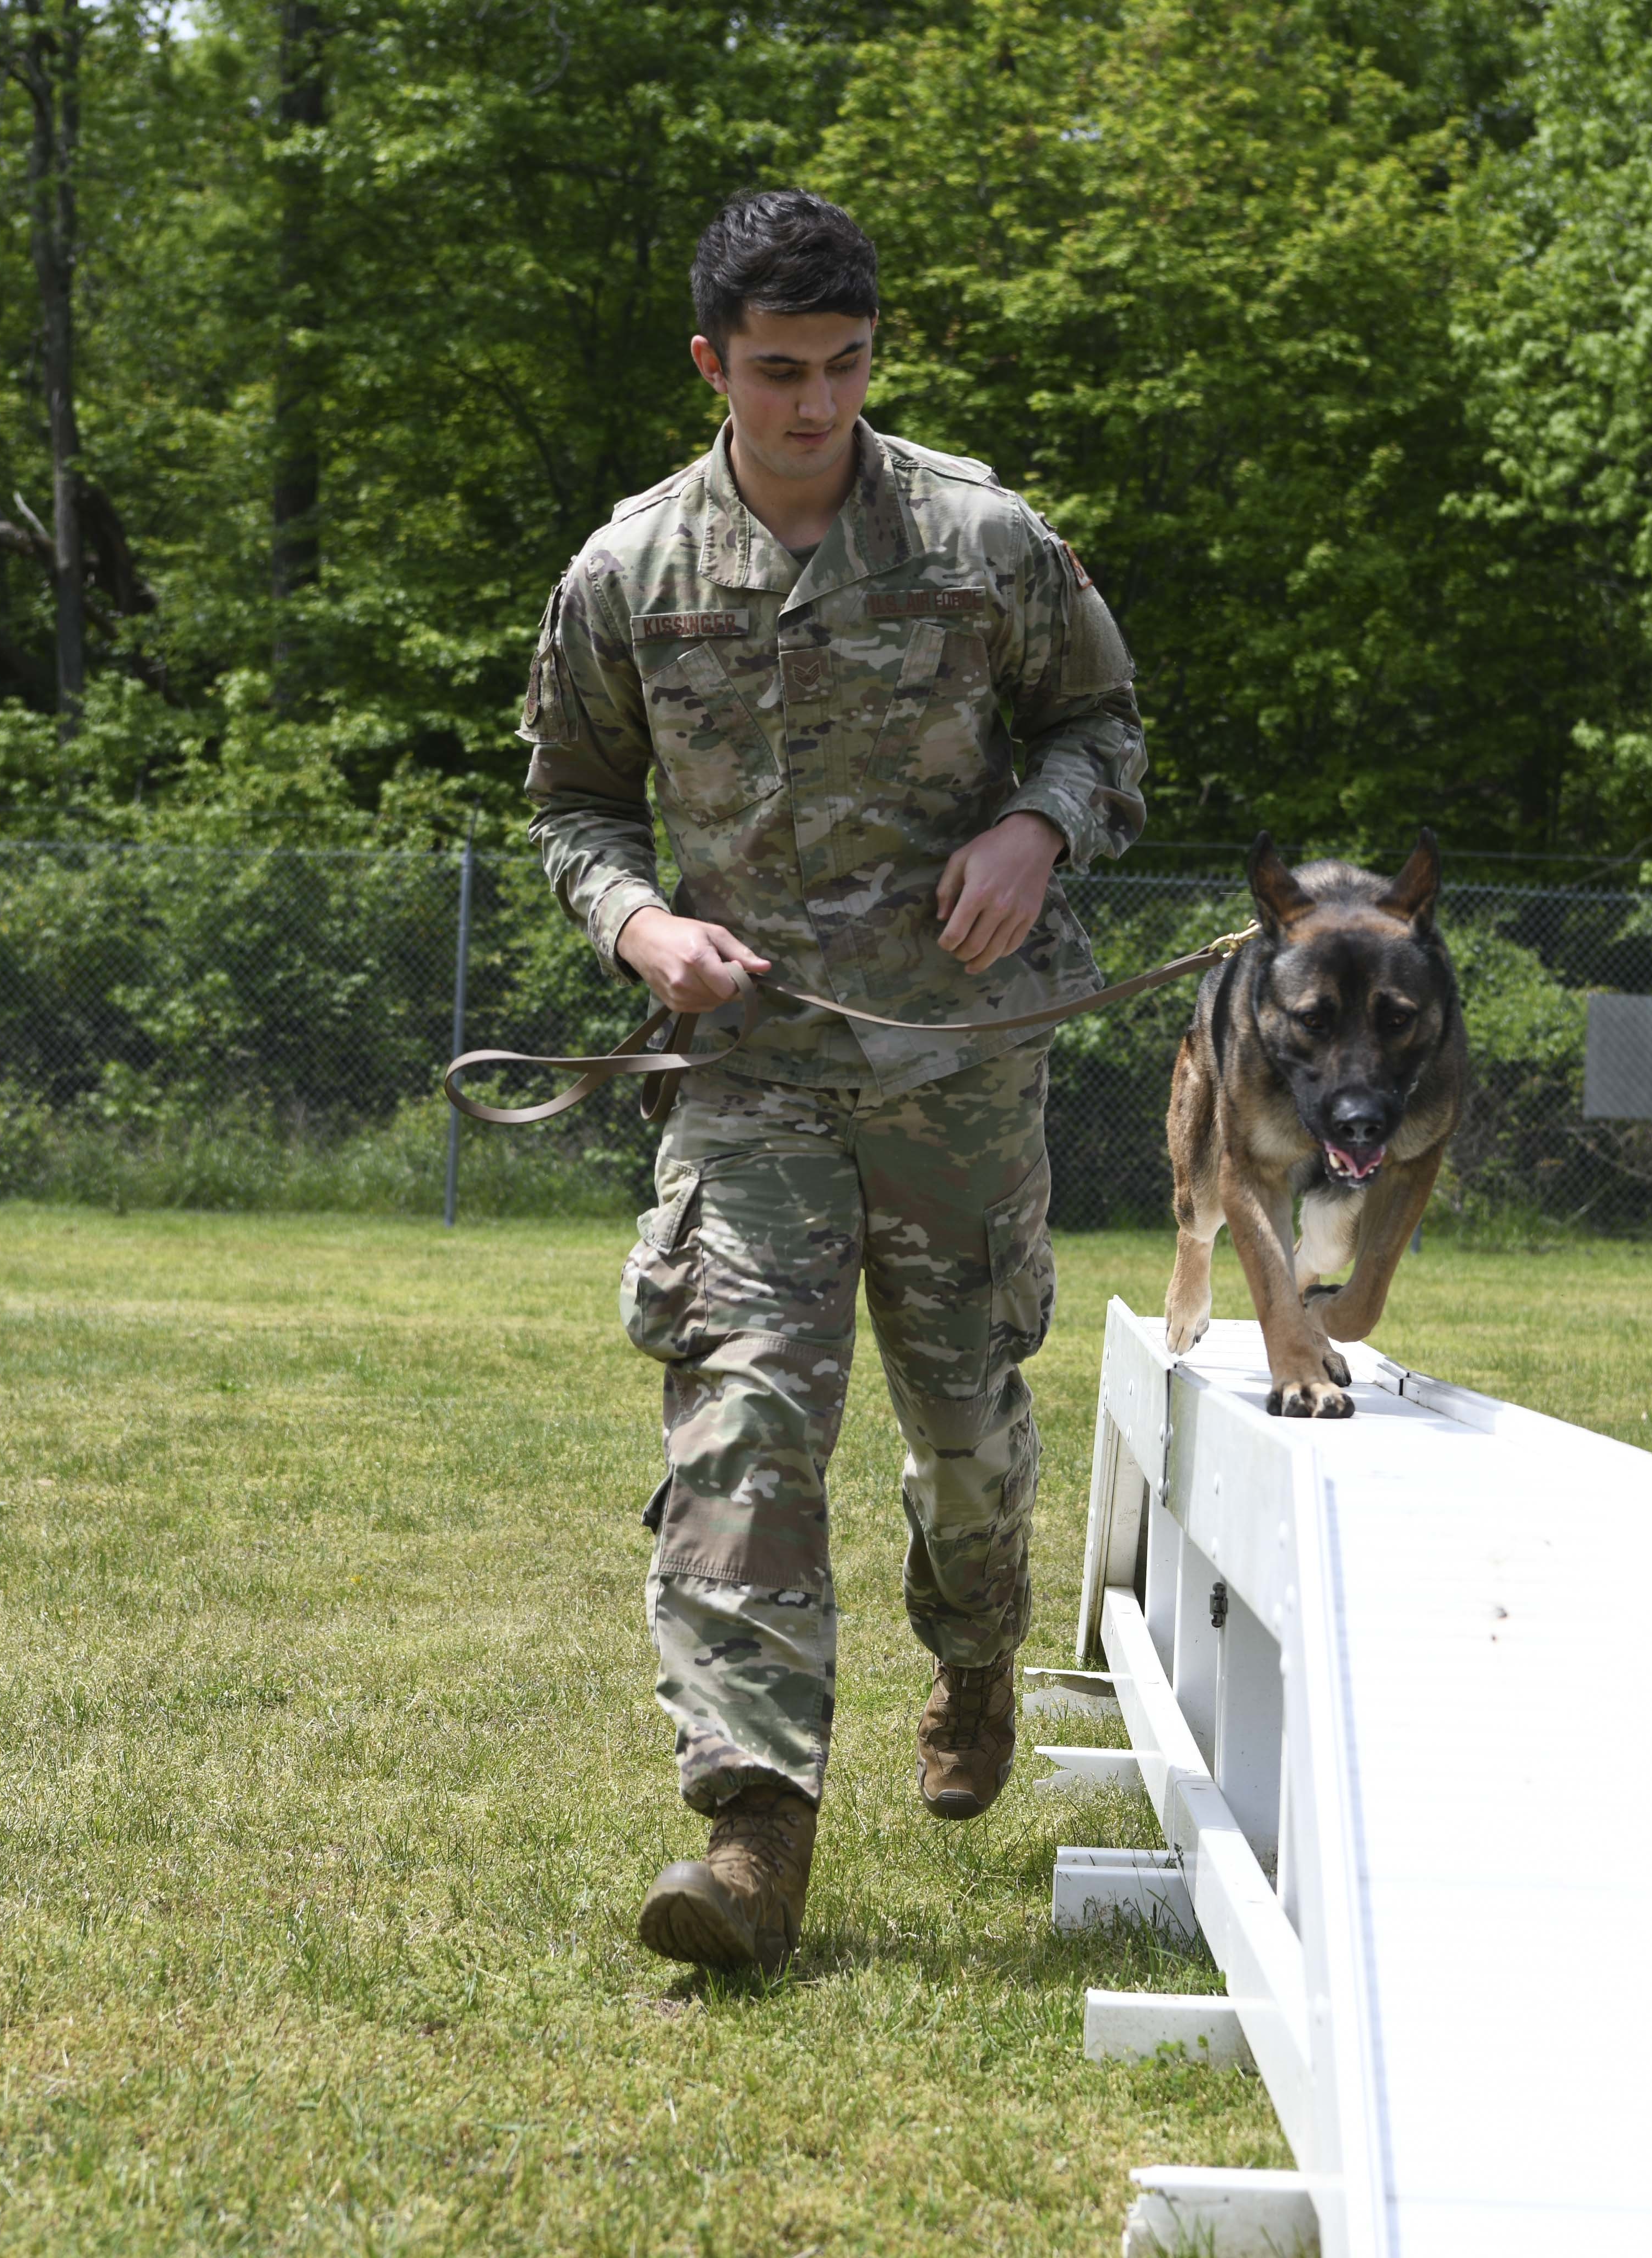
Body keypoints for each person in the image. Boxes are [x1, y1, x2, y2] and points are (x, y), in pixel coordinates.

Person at [517, 188, 1148, 1974]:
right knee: (745, 1422)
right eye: (781, 373)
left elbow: (1105, 729)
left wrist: (1039, 825)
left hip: (956, 1066)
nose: (816, 407)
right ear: (713, 366)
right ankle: (750, 1838)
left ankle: (974, 1656)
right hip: (751, 1076)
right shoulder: (627, 575)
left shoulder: (982, 537)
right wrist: (643, 928)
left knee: (967, 1439)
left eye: (848, 368)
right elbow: (573, 811)